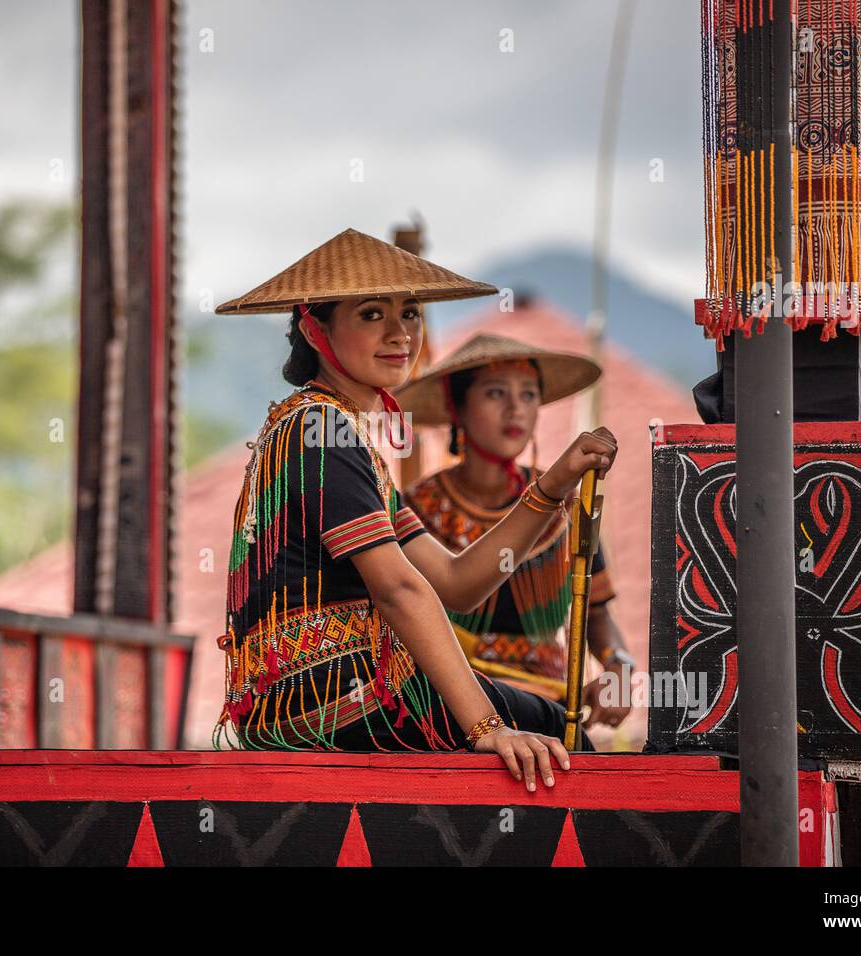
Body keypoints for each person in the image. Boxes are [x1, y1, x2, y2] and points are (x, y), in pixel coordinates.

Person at [211, 228, 618, 792]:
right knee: (550, 721)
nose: (400, 333)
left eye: (410, 314)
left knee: (544, 715)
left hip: (313, 688)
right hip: (326, 687)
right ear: (314, 327)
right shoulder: (321, 429)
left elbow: (454, 583)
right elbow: (399, 590)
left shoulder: (334, 432)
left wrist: (552, 486)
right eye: (372, 314)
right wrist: (487, 727)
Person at [394, 332, 636, 730]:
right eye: (495, 394)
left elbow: (597, 613)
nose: (515, 410)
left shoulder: (566, 508)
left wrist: (618, 665)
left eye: (528, 395)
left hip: (551, 708)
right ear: (457, 407)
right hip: (451, 710)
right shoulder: (415, 509)